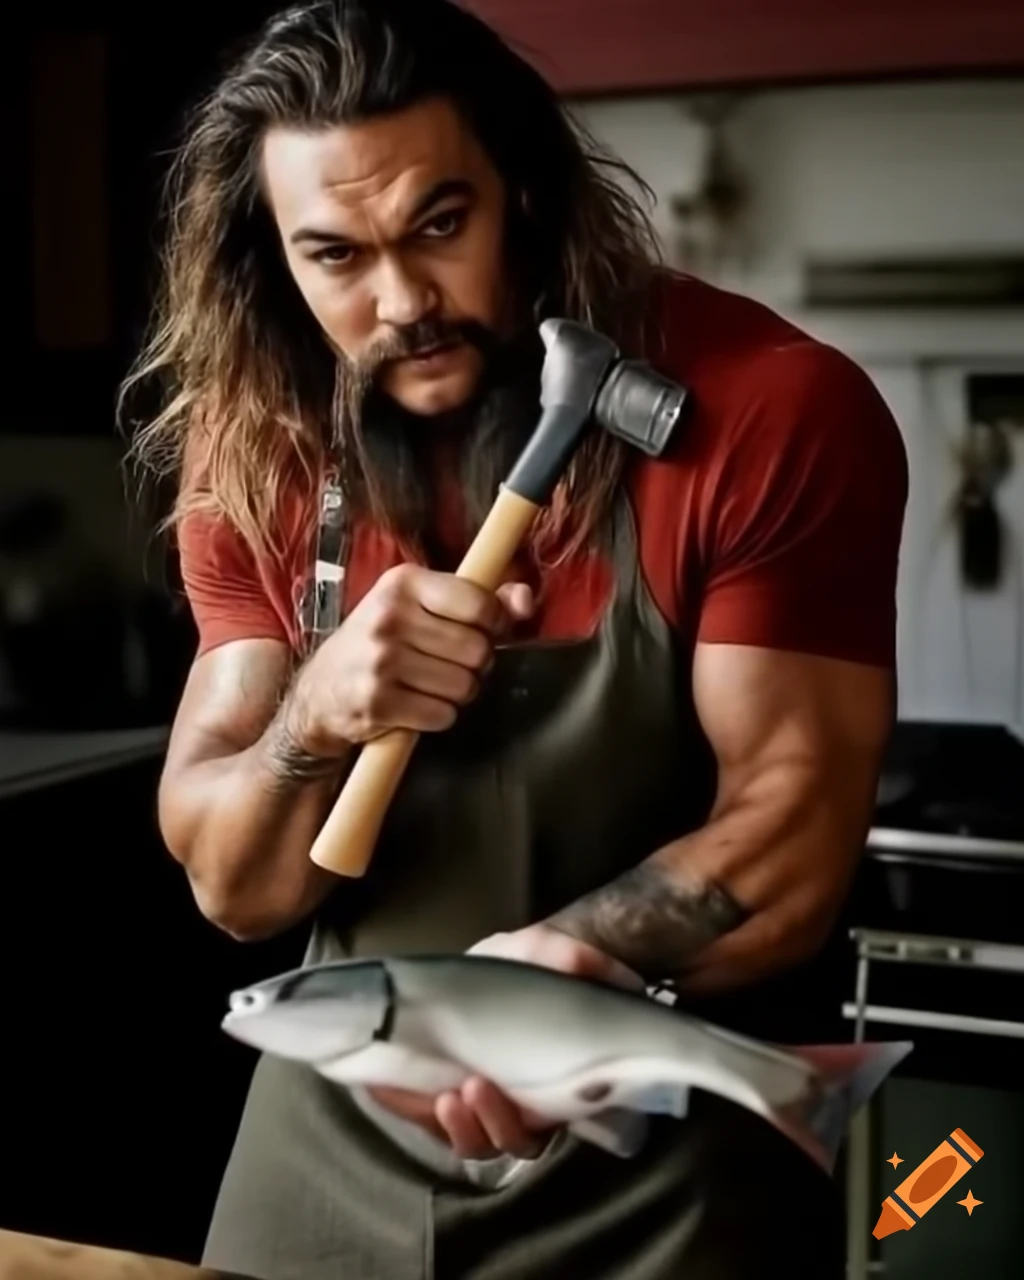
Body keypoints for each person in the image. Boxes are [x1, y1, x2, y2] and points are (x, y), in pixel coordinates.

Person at [121, 2, 908, 1276]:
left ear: (526, 191)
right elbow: (236, 884)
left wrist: (567, 965)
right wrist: (314, 715)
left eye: (441, 224)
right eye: (335, 255)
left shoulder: (772, 409)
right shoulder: (257, 447)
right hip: (342, 1105)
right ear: (275, 257)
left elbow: (795, 823)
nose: (402, 302)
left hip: (653, 1130)